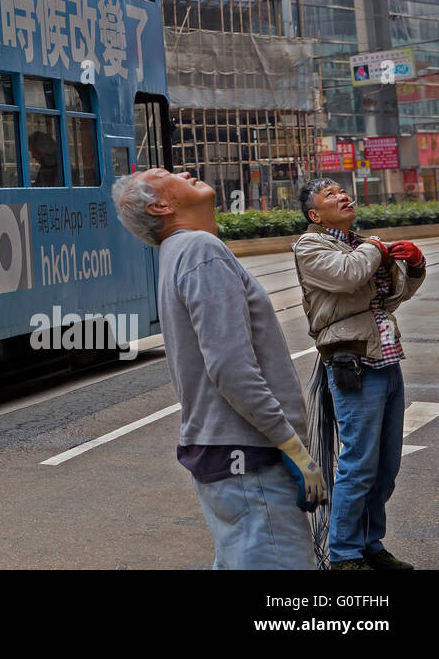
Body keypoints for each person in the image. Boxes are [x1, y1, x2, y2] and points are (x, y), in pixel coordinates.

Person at [112, 168, 322, 570]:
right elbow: (230, 368)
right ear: (161, 206)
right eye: (168, 174)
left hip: (229, 458)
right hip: (251, 456)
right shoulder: (199, 249)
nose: (186, 171)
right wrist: (294, 449)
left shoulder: (179, 251)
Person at [292, 179, 424, 570]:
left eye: (343, 191)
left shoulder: (361, 244)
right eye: (331, 195)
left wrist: (413, 266)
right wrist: (376, 248)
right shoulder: (312, 246)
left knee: (386, 466)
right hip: (353, 362)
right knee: (360, 463)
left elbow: (391, 297)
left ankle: (370, 543)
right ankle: (345, 554)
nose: (343, 196)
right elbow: (347, 276)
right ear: (315, 214)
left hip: (386, 356)